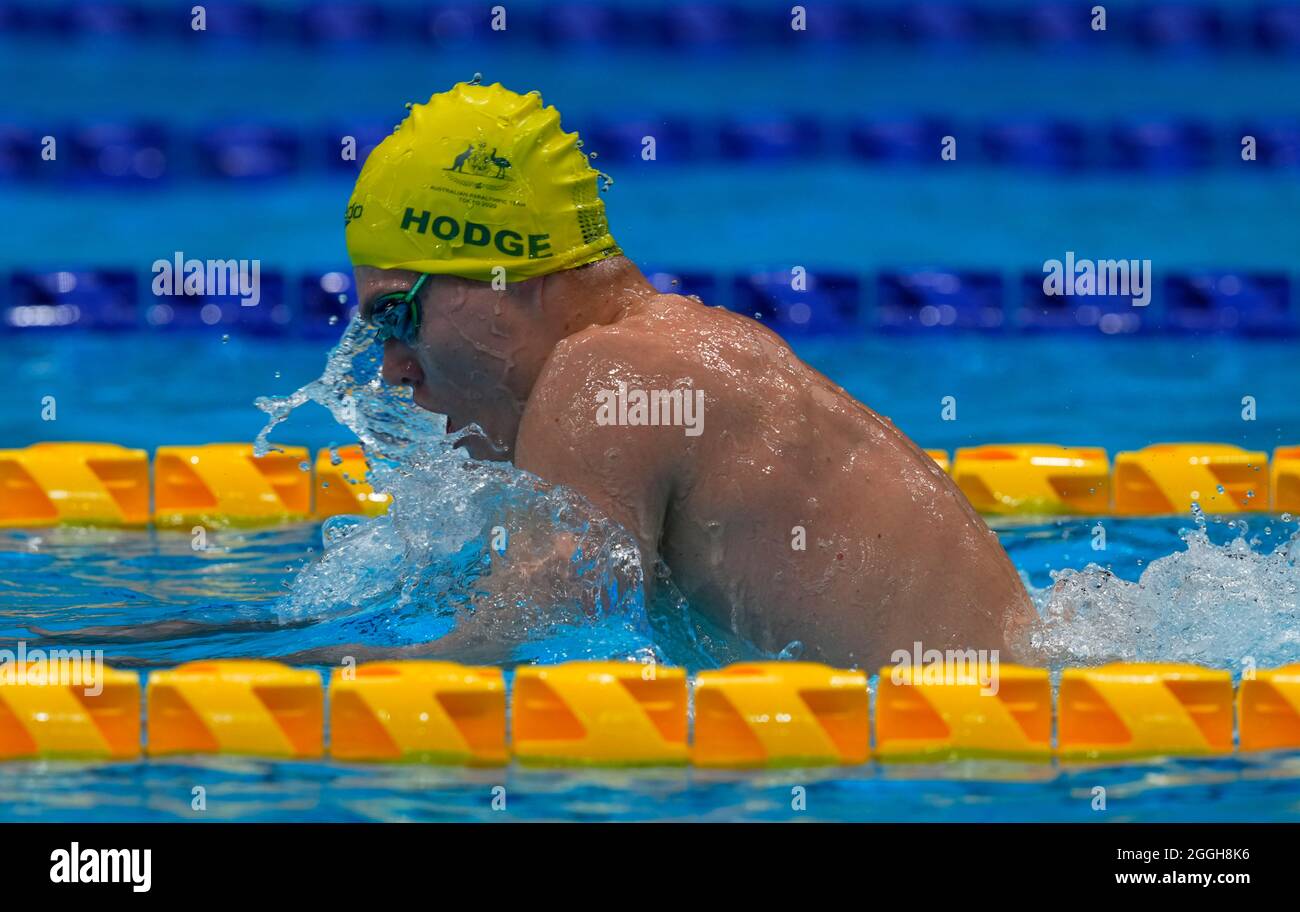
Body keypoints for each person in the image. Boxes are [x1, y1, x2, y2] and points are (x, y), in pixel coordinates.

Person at [345, 81, 1035, 669]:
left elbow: (528, 645)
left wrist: (265, 660)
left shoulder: (603, 378)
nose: (394, 370)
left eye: (399, 315)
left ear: (512, 279)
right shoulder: (678, 348)